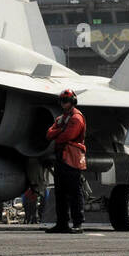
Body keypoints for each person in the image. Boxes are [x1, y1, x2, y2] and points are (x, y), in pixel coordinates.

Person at [44, 88, 87, 234]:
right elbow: (49, 134)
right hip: (61, 158)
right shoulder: (61, 118)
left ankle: (77, 223)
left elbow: (67, 136)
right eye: (62, 101)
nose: (64, 103)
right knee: (60, 193)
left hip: (73, 158)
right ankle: (62, 223)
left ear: (72, 101)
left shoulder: (76, 118)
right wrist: (60, 131)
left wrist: (59, 132)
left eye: (67, 101)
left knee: (74, 192)